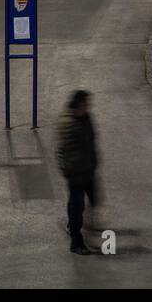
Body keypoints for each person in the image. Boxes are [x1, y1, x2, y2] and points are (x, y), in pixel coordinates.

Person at [56, 90, 99, 255]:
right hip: (76, 174)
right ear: (77, 105)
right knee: (76, 206)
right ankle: (76, 242)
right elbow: (62, 151)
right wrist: (69, 170)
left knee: (93, 199)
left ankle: (75, 225)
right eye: (85, 104)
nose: (88, 107)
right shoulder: (68, 124)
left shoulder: (86, 118)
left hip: (88, 170)